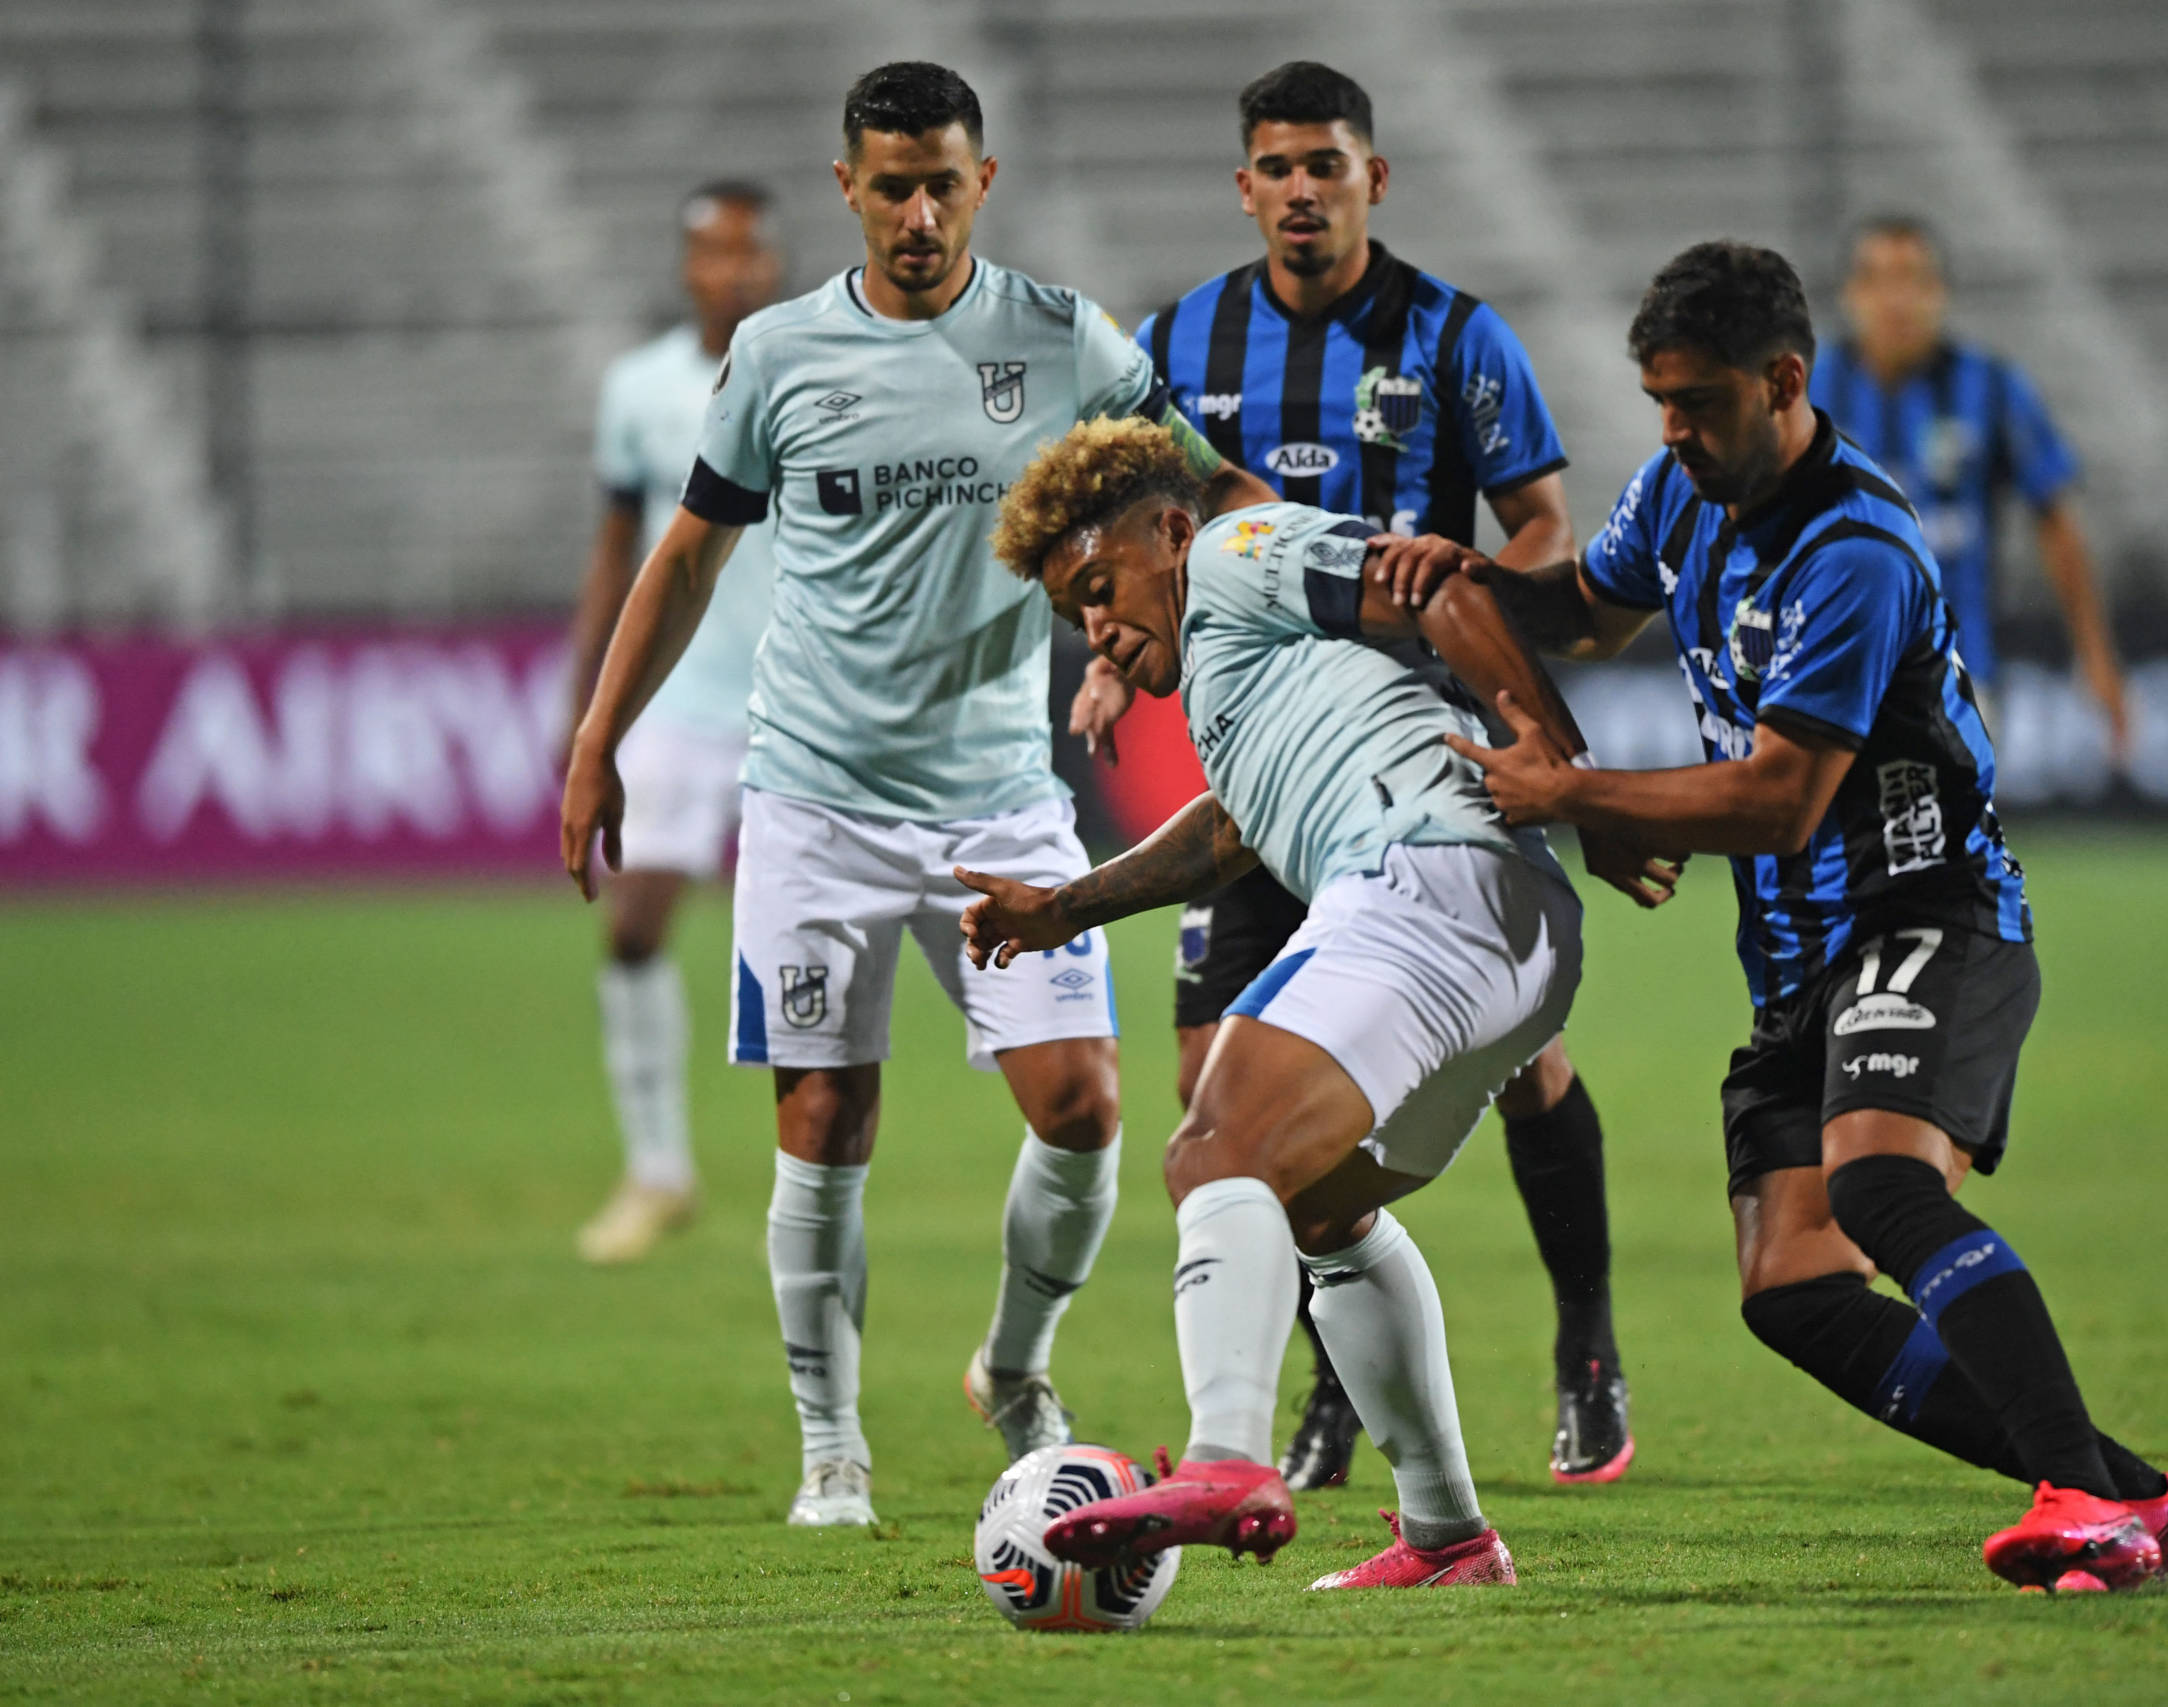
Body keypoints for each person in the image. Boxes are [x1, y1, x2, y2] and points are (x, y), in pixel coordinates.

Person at [1384, 240, 2168, 1593]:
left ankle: (2082, 1501)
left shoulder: (1859, 548)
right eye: (1658, 401)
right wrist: (1460, 571)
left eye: (1698, 402)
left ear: (1784, 380)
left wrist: (1574, 789)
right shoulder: (1681, 485)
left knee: (1881, 1179)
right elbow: (1590, 607)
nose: (1672, 431)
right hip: (1802, 957)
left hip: (1929, 912)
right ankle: (2131, 1490)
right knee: (1792, 1288)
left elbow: (1777, 799)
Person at [559, 63, 1269, 1528]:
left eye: (945, 181)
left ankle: (1014, 1365)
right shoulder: (777, 354)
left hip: (996, 793)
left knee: (1081, 1107)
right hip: (815, 797)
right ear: (849, 190)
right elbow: (685, 553)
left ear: (982, 182)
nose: (921, 211)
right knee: (823, 1118)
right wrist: (596, 737)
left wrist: (1259, 583)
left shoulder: (1059, 337)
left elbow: (1203, 487)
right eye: (892, 185)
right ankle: (832, 1448)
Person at [955, 417, 1680, 1588]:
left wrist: (1569, 775)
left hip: (1429, 874)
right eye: (1072, 613)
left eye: (1100, 586)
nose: (1094, 627)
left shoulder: (1241, 546)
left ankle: (1226, 1457)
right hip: (1501, 932)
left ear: (1171, 532)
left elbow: (1437, 590)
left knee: (1212, 1149)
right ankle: (1447, 1537)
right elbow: (1233, 830)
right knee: (1316, 1215)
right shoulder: (1235, 678)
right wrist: (1064, 908)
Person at [1079, 59, 1639, 1489]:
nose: (1302, 191)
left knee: (1521, 1062)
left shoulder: (1454, 335)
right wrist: (1107, 654)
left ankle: (1585, 1340)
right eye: (1276, 167)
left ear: (1372, 179)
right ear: (1246, 184)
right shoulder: (1180, 343)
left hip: (1410, 757)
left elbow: (1537, 529)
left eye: (1328, 164)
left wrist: (1447, 606)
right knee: (1220, 1075)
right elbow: (1125, 530)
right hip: (1264, 755)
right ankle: (1329, 1392)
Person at [561, 182, 783, 1266]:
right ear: (688, 264)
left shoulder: (808, 367)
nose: (731, 270)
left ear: (773, 261)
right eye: (712, 253)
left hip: (801, 697)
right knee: (636, 924)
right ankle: (658, 1171)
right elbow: (619, 545)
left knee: (834, 943)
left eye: (748, 251)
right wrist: (590, 708)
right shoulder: (638, 388)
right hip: (681, 699)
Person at [1809, 215, 2128, 749]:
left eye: (1913, 278)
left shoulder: (1992, 389)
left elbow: (2054, 518)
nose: (1897, 299)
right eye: (1878, 279)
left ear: (1940, 293)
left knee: (1919, 825)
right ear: (1851, 294)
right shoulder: (1808, 394)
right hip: (1828, 676)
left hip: (1958, 676)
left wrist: (2094, 652)